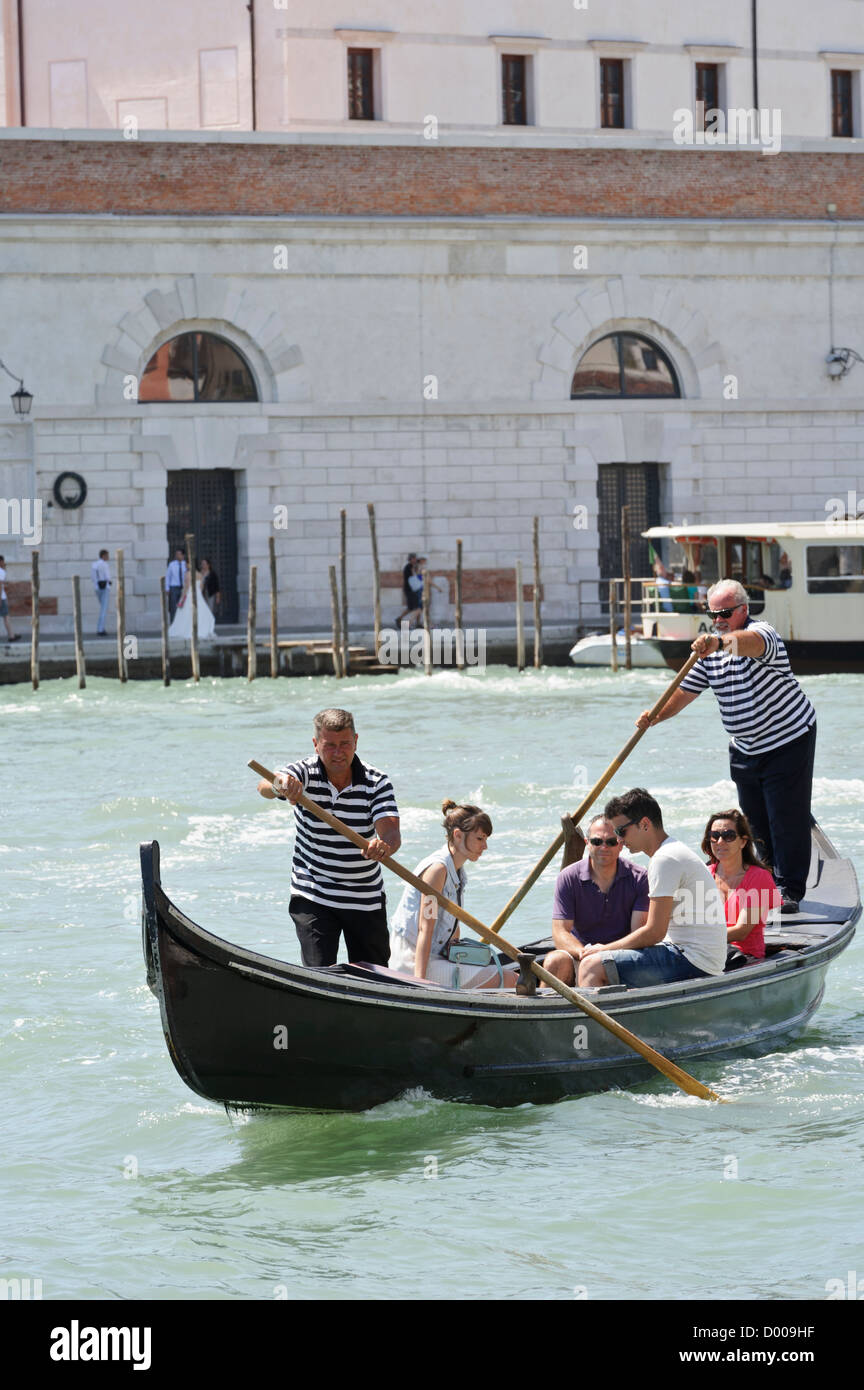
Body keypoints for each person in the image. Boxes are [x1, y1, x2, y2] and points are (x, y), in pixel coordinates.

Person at [635, 578, 816, 914]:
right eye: (713, 613)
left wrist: (718, 642)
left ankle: (790, 888)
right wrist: (656, 715)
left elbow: (745, 642)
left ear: (744, 610)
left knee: (785, 816)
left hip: (788, 738)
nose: (718, 618)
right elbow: (685, 692)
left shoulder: (761, 634)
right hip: (745, 747)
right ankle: (771, 878)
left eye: (725, 613)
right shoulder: (710, 653)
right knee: (756, 819)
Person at [258, 708, 401, 967]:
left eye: (345, 744)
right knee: (320, 975)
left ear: (356, 741)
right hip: (314, 893)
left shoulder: (376, 782)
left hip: (364, 898)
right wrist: (281, 785)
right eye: (330, 746)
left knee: (376, 977)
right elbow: (266, 786)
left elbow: (391, 832)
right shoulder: (302, 774)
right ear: (316, 745)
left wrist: (383, 846)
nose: (338, 753)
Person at [578, 788, 727, 989]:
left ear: (645, 824)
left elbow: (655, 932)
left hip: (694, 959)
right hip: (695, 954)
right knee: (602, 958)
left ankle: (587, 1021)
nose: (619, 840)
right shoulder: (671, 851)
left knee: (591, 966)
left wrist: (604, 949)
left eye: (621, 831)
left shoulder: (664, 859)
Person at [389, 800, 519, 989]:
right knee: (510, 980)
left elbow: (452, 926)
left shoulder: (457, 870)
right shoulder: (437, 871)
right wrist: (420, 984)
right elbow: (425, 929)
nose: (485, 846)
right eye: (480, 839)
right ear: (458, 835)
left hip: (435, 956)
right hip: (412, 960)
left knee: (509, 975)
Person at [542, 815, 650, 986]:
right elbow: (560, 932)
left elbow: (638, 934)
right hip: (582, 954)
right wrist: (585, 953)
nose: (604, 847)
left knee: (593, 966)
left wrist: (604, 954)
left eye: (611, 842)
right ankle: (547, 1011)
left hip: (623, 957)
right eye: (597, 841)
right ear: (587, 843)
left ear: (621, 844)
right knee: (554, 960)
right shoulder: (568, 877)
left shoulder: (640, 878)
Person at [701, 808, 781, 962]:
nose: (720, 842)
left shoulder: (759, 877)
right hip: (705, 952)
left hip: (743, 956)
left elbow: (741, 931)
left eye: (728, 836)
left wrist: (699, 939)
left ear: (743, 842)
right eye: (715, 836)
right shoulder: (704, 874)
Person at [168, 565, 216, 640]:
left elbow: (186, 587)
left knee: (186, 613)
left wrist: (182, 597)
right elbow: (201, 587)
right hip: (198, 595)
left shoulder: (188, 574)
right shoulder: (200, 574)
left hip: (189, 594)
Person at [396, 553, 421, 627]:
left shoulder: (411, 566)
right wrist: (416, 569)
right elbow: (414, 576)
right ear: (411, 559)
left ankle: (418, 623)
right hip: (410, 590)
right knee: (415, 607)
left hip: (413, 590)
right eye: (415, 558)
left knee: (416, 607)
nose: (416, 560)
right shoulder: (409, 567)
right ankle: (400, 619)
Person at [90, 549, 111, 636]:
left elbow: (93, 577)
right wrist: (109, 582)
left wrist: (96, 584)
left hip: (97, 588)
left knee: (102, 608)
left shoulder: (94, 564)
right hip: (104, 587)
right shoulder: (104, 564)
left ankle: (101, 627)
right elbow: (107, 576)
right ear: (103, 556)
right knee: (104, 609)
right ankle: (100, 629)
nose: (108, 557)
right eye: (107, 555)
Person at [0, 556, 20, 641]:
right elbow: (0, 586)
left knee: (6, 616)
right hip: (1, 598)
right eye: (3, 561)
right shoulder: (1, 571)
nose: (4, 563)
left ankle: (12, 635)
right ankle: (11, 636)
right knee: (6, 616)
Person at [165, 548, 187, 622]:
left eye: (179, 554)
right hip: (174, 587)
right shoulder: (172, 564)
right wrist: (167, 588)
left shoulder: (186, 564)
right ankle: (173, 623)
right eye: (176, 554)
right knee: (173, 607)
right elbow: (168, 576)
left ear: (183, 555)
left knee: (183, 606)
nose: (177, 556)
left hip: (183, 588)